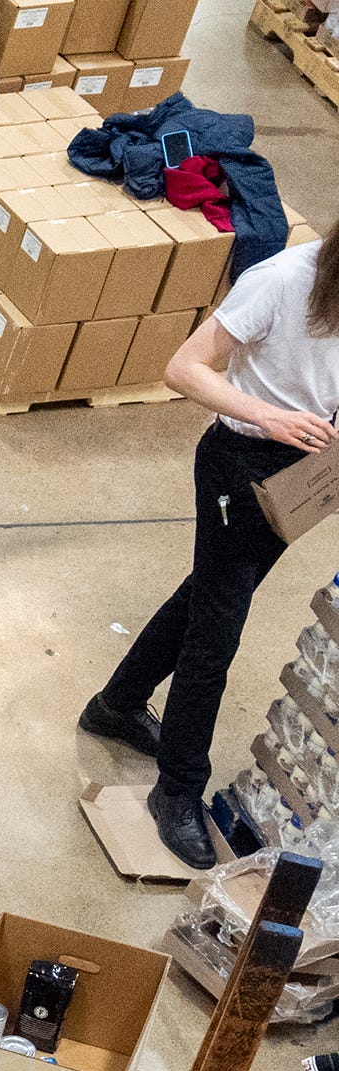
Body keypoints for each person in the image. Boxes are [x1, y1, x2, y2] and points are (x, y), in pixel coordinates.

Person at [79, 239, 339, 869]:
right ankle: (177, 790)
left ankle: (114, 706)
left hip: (300, 474)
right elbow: (184, 368)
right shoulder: (279, 280)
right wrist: (269, 416)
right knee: (215, 636)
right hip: (239, 464)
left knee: (211, 594)